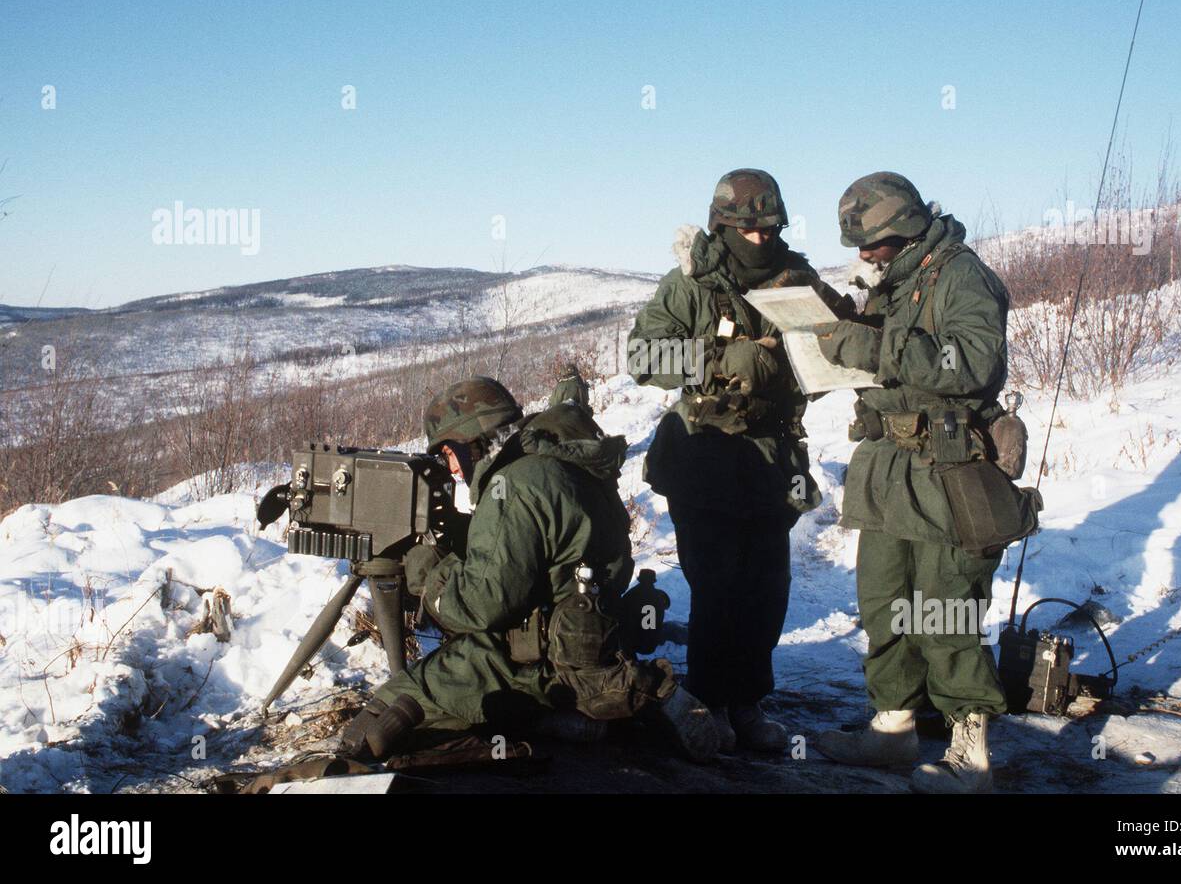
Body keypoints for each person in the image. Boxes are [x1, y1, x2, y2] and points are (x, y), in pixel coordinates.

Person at [338, 376, 719, 763]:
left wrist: (427, 572)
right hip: (588, 639)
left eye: (449, 453)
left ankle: (554, 716)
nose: (451, 468)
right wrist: (468, 534)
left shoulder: (513, 485)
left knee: (386, 714)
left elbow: (479, 607)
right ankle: (560, 718)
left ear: (472, 440)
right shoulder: (557, 462)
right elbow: (543, 550)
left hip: (537, 664)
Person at [811, 172, 1024, 793]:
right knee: (884, 604)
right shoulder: (895, 282)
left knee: (945, 609)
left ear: (905, 229)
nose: (864, 255)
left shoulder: (961, 274)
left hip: (949, 472)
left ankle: (969, 750)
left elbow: (973, 361)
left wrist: (876, 349)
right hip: (888, 470)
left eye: (872, 242)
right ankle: (893, 727)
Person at [627, 169, 848, 752]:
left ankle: (748, 702)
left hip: (773, 459)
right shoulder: (692, 283)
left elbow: (835, 341)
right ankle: (712, 703)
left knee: (767, 588)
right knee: (718, 589)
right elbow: (642, 355)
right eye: (746, 228)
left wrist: (825, 361)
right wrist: (721, 357)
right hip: (706, 456)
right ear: (722, 224)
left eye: (769, 227)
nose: (759, 238)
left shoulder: (796, 279)